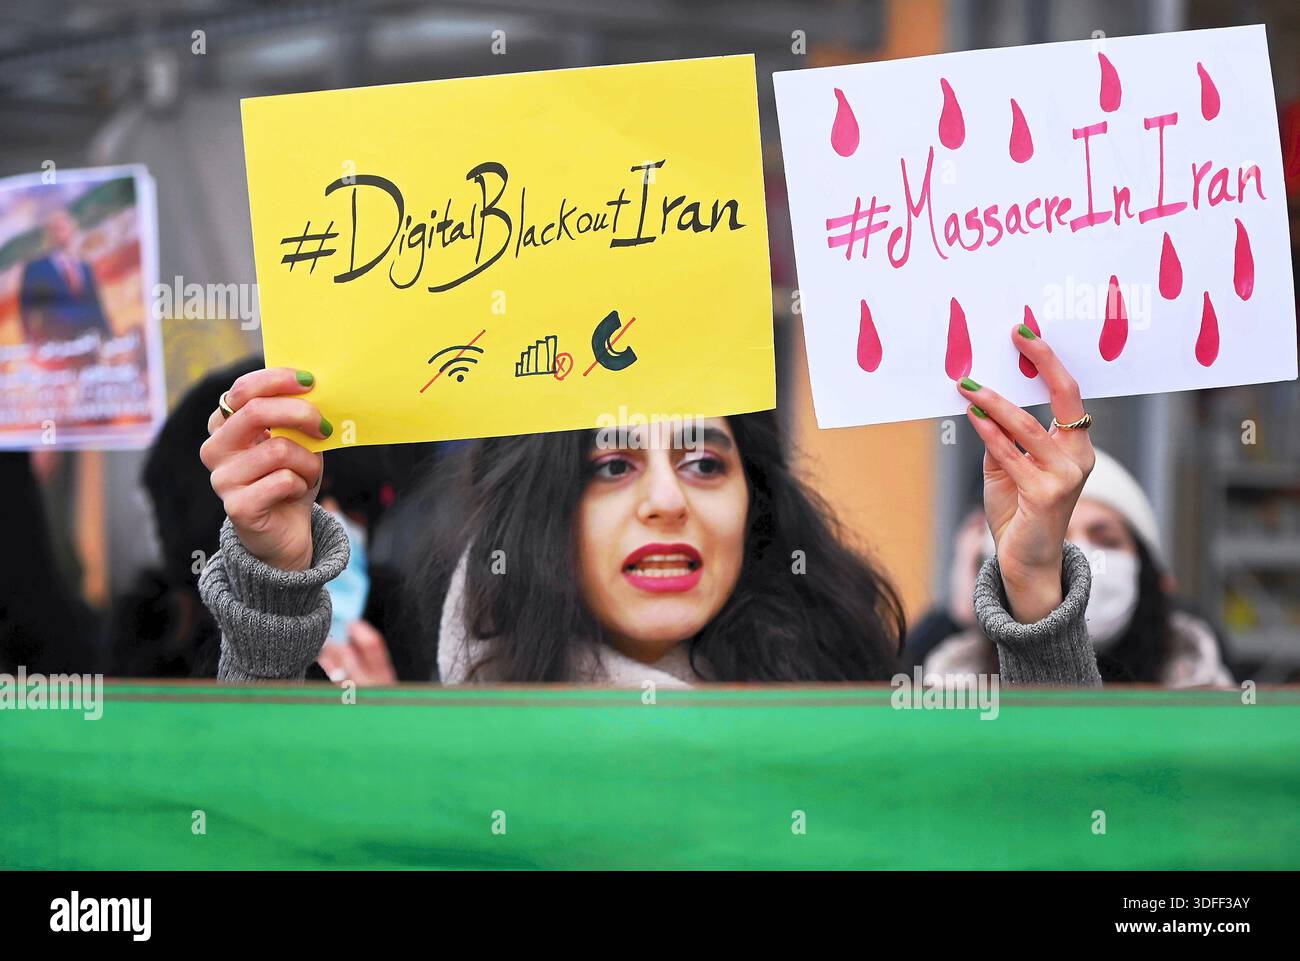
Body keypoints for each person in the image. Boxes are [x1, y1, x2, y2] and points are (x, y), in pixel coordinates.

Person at [197, 325, 1103, 686]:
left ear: (757, 510)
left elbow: (1067, 831)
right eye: (613, 466)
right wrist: (274, 582)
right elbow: (234, 826)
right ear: (541, 512)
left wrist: (1029, 584)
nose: (668, 500)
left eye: (707, 464)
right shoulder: (445, 757)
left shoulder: (862, 718)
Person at [921, 449, 1235, 687]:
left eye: (1107, 540)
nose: (1082, 560)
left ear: (1148, 570)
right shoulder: (947, 693)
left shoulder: (1209, 697)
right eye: (1057, 543)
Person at [18, 208, 111, 347]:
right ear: (48, 234)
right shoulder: (35, 269)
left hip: (90, 346)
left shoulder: (85, 268)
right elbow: (25, 310)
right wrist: (32, 345)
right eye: (55, 227)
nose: (60, 231)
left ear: (72, 228)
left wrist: (110, 338)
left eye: (64, 225)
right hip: (56, 348)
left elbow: (97, 308)